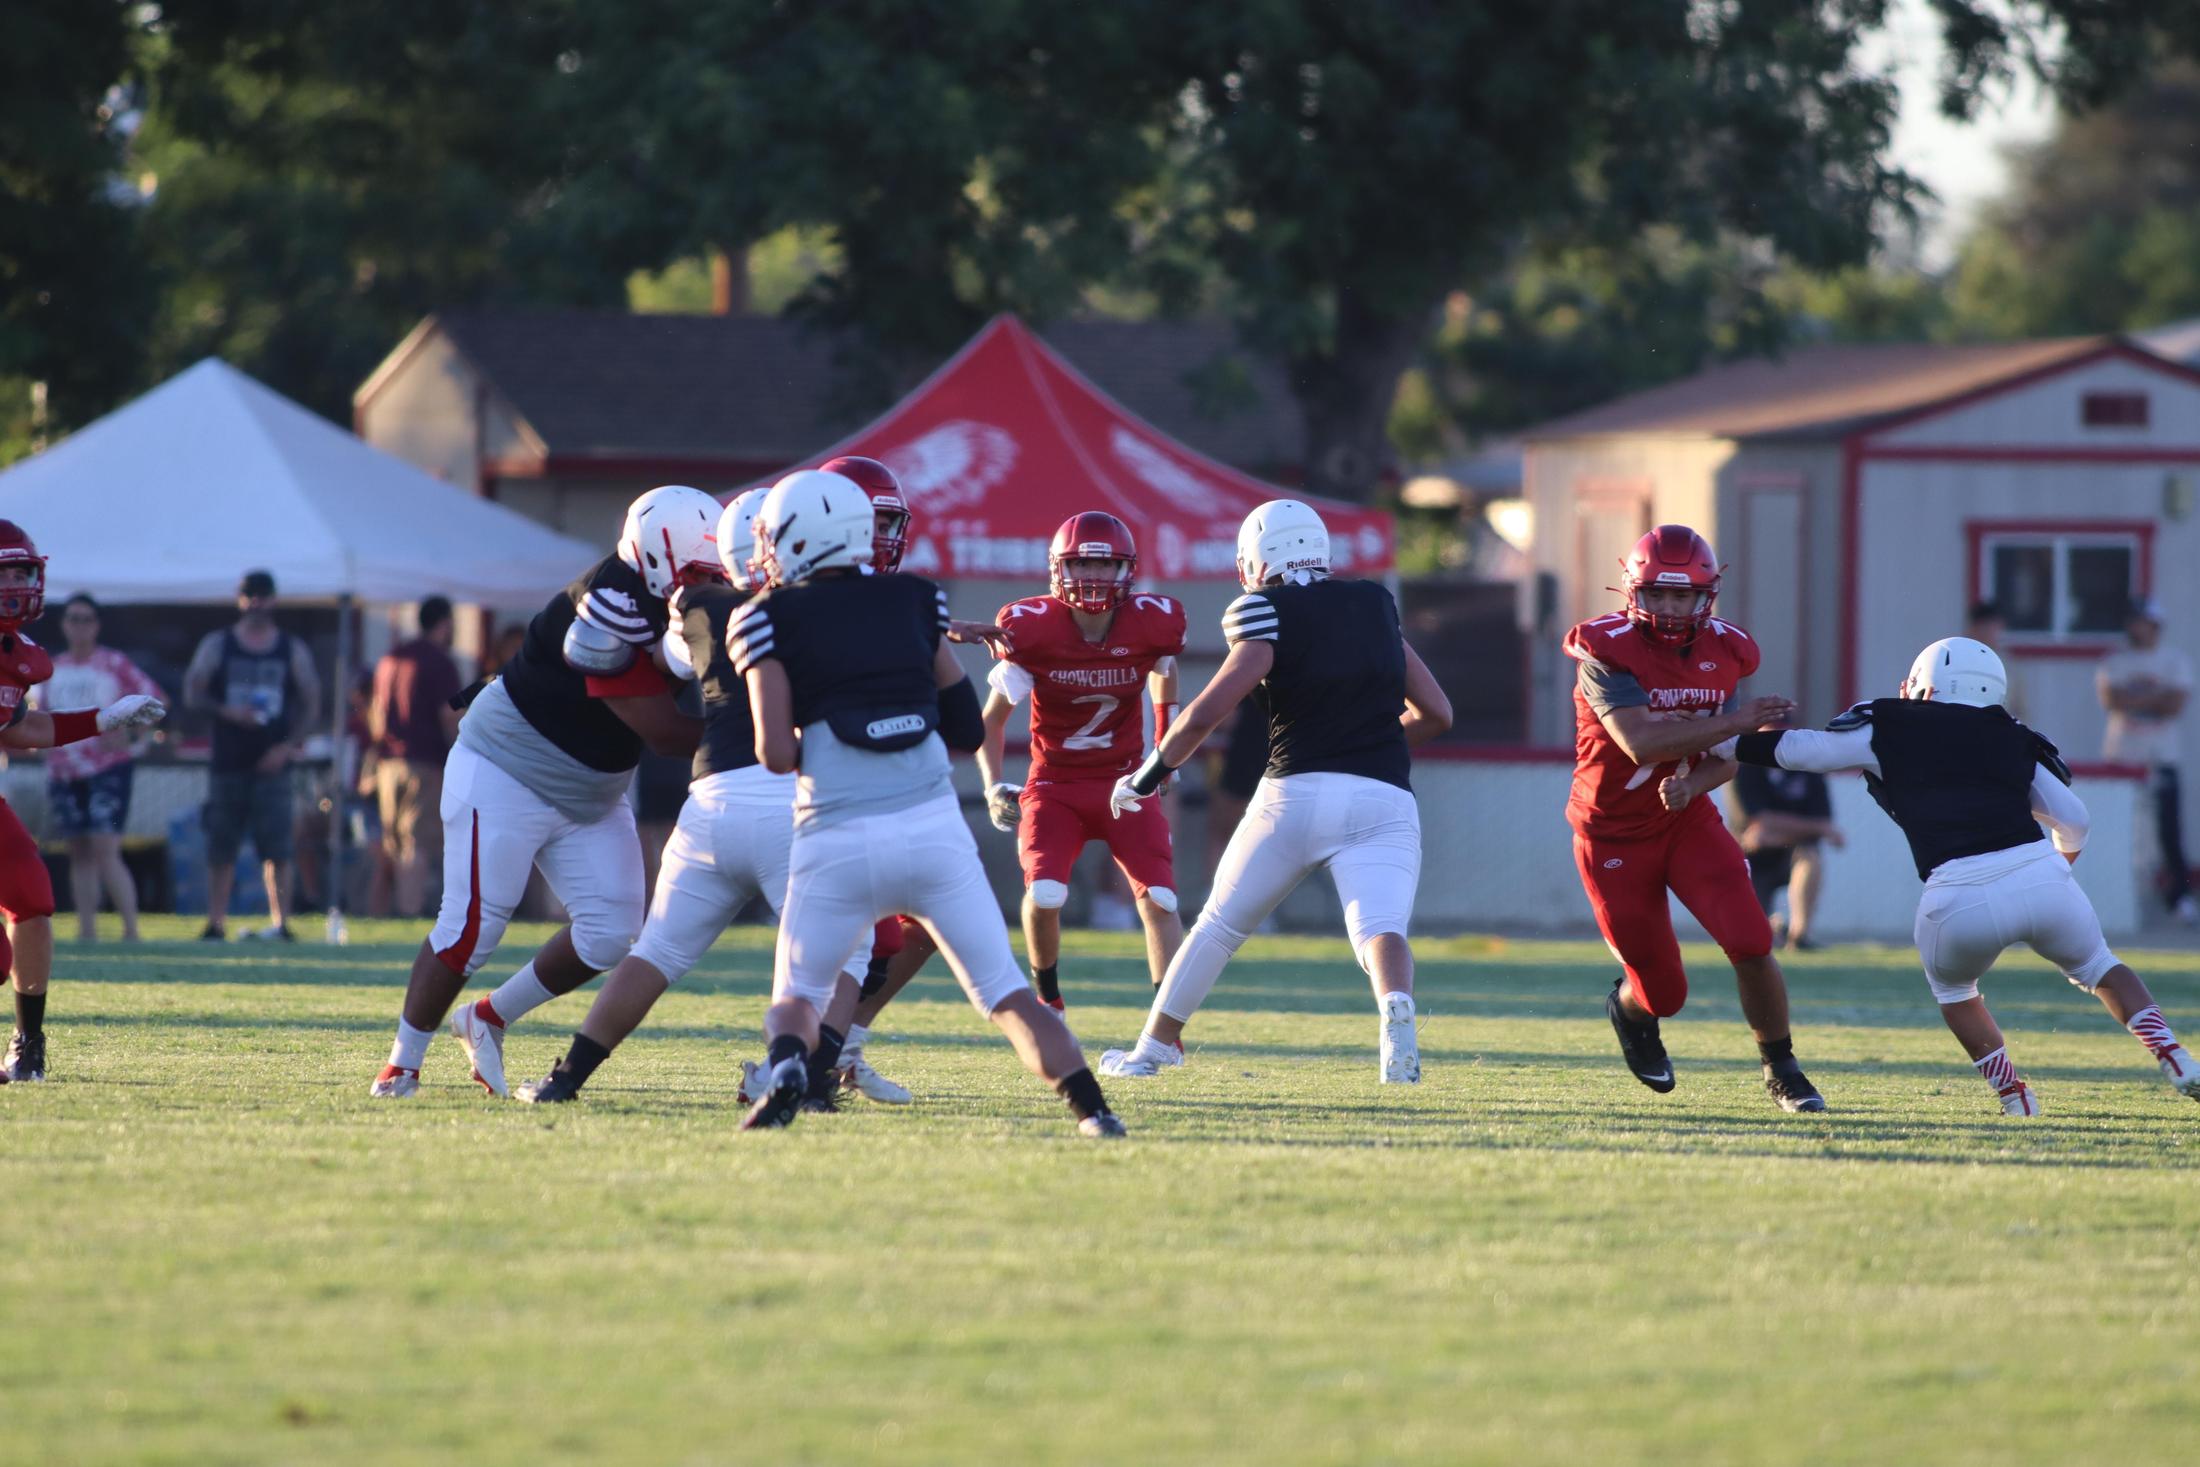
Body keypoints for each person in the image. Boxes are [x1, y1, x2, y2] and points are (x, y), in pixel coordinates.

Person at [713, 468, 1123, 1135]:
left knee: (797, 996)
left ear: (792, 539)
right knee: (1006, 994)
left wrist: (833, 731)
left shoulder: (760, 618)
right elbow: (965, 727)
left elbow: (776, 754)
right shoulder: (916, 599)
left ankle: (788, 1066)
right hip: (933, 831)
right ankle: (1094, 1112)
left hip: (836, 832)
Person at [516, 489, 911, 1108]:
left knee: (656, 952)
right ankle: (808, 1084)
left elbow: (668, 658)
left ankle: (565, 1078)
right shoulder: (831, 610)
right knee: (847, 954)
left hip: (711, 803)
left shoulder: (697, 607)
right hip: (792, 803)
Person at [1723, 636, 2200, 1115]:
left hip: (1957, 895)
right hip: (2040, 875)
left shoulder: (1890, 724)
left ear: (1925, 687)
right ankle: (2173, 1055)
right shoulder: (2012, 735)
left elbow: (1805, 751)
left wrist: (1720, 739)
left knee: (1956, 994)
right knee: (2100, 967)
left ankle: (2015, 1096)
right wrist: (2053, 872)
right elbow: (2075, 820)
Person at [370, 485, 718, 1098]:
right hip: (508, 770)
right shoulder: (608, 609)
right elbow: (665, 733)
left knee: (611, 931)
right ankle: (402, 1062)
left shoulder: (677, 594)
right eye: (700, 571)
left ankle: (487, 1017)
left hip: (593, 792)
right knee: (471, 927)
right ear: (658, 561)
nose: (713, 583)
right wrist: (754, 732)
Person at [1098, 499, 1453, 1084]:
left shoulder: (1266, 610)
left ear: (1256, 559)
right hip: (1384, 796)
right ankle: (1395, 1008)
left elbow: (1205, 712)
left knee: (1217, 927)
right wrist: (1369, 745)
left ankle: (1151, 1051)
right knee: (1380, 929)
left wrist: (1146, 777)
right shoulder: (1373, 603)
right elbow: (1437, 713)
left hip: (1295, 795)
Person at [1557, 524, 1825, 1112]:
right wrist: (1738, 722)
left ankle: (1782, 1068)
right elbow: (1639, 743)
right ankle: (1630, 1012)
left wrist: (1691, 785)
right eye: (1657, 593)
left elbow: (1724, 759)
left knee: (1751, 940)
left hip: (1685, 823)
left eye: (1682, 596)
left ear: (1706, 596)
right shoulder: (1604, 651)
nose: (1670, 608)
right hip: (1611, 834)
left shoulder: (1725, 651)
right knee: (1664, 992)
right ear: (1633, 591)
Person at [974, 511, 1186, 1008]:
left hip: (1126, 782)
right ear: (1058, 568)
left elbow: (1165, 668)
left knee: (1162, 898)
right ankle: (1049, 1002)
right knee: (1045, 893)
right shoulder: (1032, 629)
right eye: (1081, 565)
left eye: (1105, 565)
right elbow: (991, 721)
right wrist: (992, 784)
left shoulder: (1151, 624)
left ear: (1126, 569)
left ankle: (1166, 1026)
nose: (1093, 577)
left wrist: (1165, 743)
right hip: (1055, 785)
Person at [0, 524, 168, 1080]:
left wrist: (104, 719)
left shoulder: (14, 652)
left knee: (33, 896)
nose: (17, 584)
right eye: (6, 573)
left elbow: (20, 728)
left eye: (23, 572)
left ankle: (28, 1044)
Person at [182, 569, 322, 941]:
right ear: (240, 599)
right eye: (250, 595)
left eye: (263, 595)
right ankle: (216, 922)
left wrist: (287, 747)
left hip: (274, 763)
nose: (257, 602)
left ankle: (281, 922)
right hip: (228, 761)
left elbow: (311, 701)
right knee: (221, 845)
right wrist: (228, 712)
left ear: (274, 599)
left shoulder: (290, 648)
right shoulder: (219, 644)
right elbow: (193, 691)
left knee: (278, 847)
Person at [34, 594, 165, 941]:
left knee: (106, 848)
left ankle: (130, 930)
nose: (80, 626)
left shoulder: (113, 664)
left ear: (97, 625)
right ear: (64, 624)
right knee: (79, 851)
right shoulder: (52, 668)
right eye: (73, 619)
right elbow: (38, 717)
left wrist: (131, 735)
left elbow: (155, 700)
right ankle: (87, 930)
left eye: (86, 619)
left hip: (107, 768)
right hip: (64, 770)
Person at [2098, 599, 2197, 926]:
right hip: (2122, 759)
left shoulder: (2174, 661)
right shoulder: (2115, 661)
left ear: (2155, 626)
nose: (2136, 628)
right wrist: (2155, 698)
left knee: (2169, 830)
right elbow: (2112, 699)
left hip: (2161, 757)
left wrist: (2135, 699)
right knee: (2121, 830)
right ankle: (2118, 892)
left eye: (2142, 621)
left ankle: (2179, 898)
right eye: (2133, 621)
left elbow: (2174, 705)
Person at [367, 595, 462, 919]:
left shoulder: (390, 658)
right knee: (417, 842)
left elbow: (375, 713)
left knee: (392, 842)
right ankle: (409, 912)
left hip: (387, 763)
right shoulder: (439, 662)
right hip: (424, 762)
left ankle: (379, 913)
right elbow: (449, 715)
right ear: (444, 623)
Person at [1730, 713, 1844, 951]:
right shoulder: (1743, 765)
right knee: (1755, 940)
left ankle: (1799, 936)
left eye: (1781, 734)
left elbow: (1823, 822)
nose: (1775, 741)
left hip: (1788, 854)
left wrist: (1775, 833)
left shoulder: (1809, 767)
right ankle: (1773, 927)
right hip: (1750, 861)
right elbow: (1758, 823)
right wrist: (1813, 828)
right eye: (1769, 733)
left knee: (1810, 857)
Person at [1964, 600, 2025, 722]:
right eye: (1983, 627)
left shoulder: (2008, 666)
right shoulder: (1961, 660)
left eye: (1993, 627)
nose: (1989, 632)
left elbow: (2019, 709)